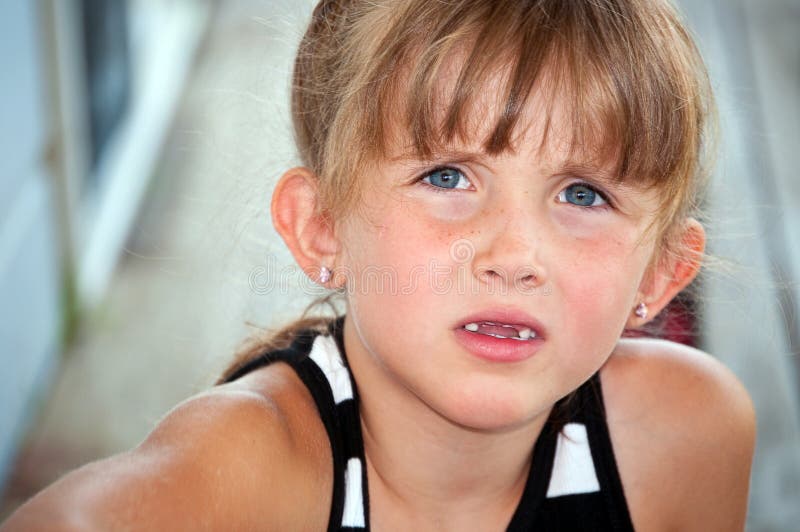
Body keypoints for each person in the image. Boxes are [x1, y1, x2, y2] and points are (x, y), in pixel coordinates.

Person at [3, 0, 755, 530]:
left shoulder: (683, 438)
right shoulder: (265, 465)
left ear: (659, 272)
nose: (516, 257)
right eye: (448, 177)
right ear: (321, 227)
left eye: (583, 193)